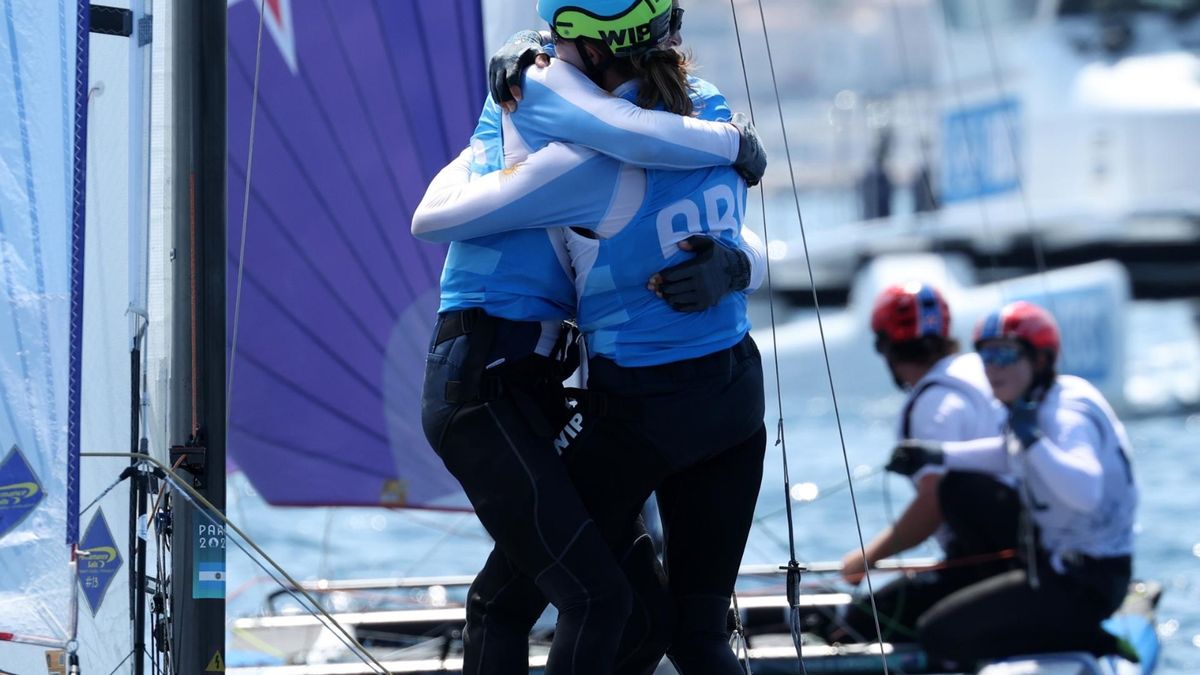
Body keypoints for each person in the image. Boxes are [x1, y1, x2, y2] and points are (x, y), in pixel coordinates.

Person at [414, 1, 768, 670]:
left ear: (594, 54)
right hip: (728, 393)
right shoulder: (708, 109)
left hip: (619, 401)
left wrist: (518, 85)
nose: (547, 56)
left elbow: (433, 217)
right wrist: (739, 257)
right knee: (680, 628)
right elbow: (698, 199)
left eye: (556, 45)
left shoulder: (585, 157)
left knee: (556, 604)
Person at [885, 301, 1139, 665]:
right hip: (1056, 566)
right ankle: (1016, 607)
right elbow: (1008, 453)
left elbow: (1086, 492)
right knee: (958, 487)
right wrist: (936, 454)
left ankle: (1090, 638)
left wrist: (1033, 440)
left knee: (938, 636)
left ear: (1040, 359)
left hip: (1089, 582)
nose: (993, 368)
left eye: (1005, 355)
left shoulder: (1067, 414)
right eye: (986, 356)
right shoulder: (1034, 401)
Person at [832, 283, 1020, 644]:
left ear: (884, 347)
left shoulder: (931, 406)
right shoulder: (976, 368)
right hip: (1017, 546)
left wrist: (865, 560)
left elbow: (933, 504)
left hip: (988, 566)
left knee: (859, 622)